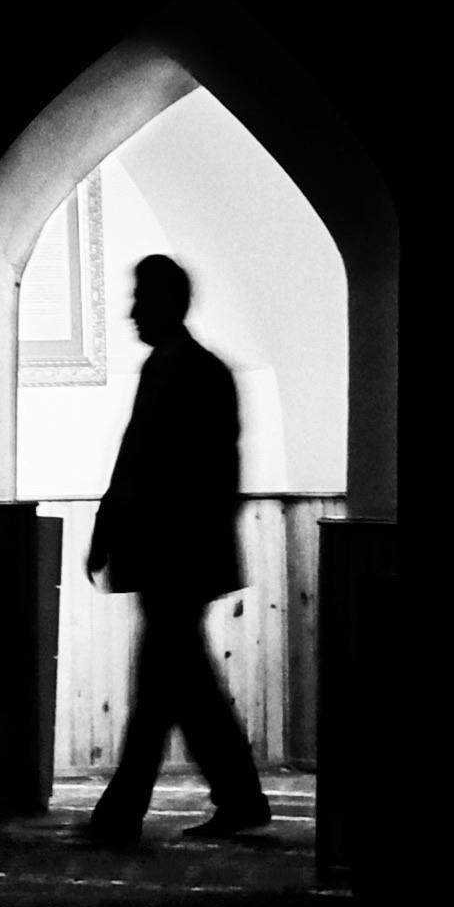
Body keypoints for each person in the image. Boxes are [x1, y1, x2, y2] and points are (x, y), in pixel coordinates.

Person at [82, 252, 272, 849]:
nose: (132, 310)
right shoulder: (188, 369)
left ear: (167, 302)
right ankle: (239, 797)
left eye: (141, 297)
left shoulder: (181, 371)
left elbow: (156, 467)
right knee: (182, 685)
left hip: (174, 554)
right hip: (182, 554)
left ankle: (121, 813)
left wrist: (109, 528)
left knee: (162, 684)